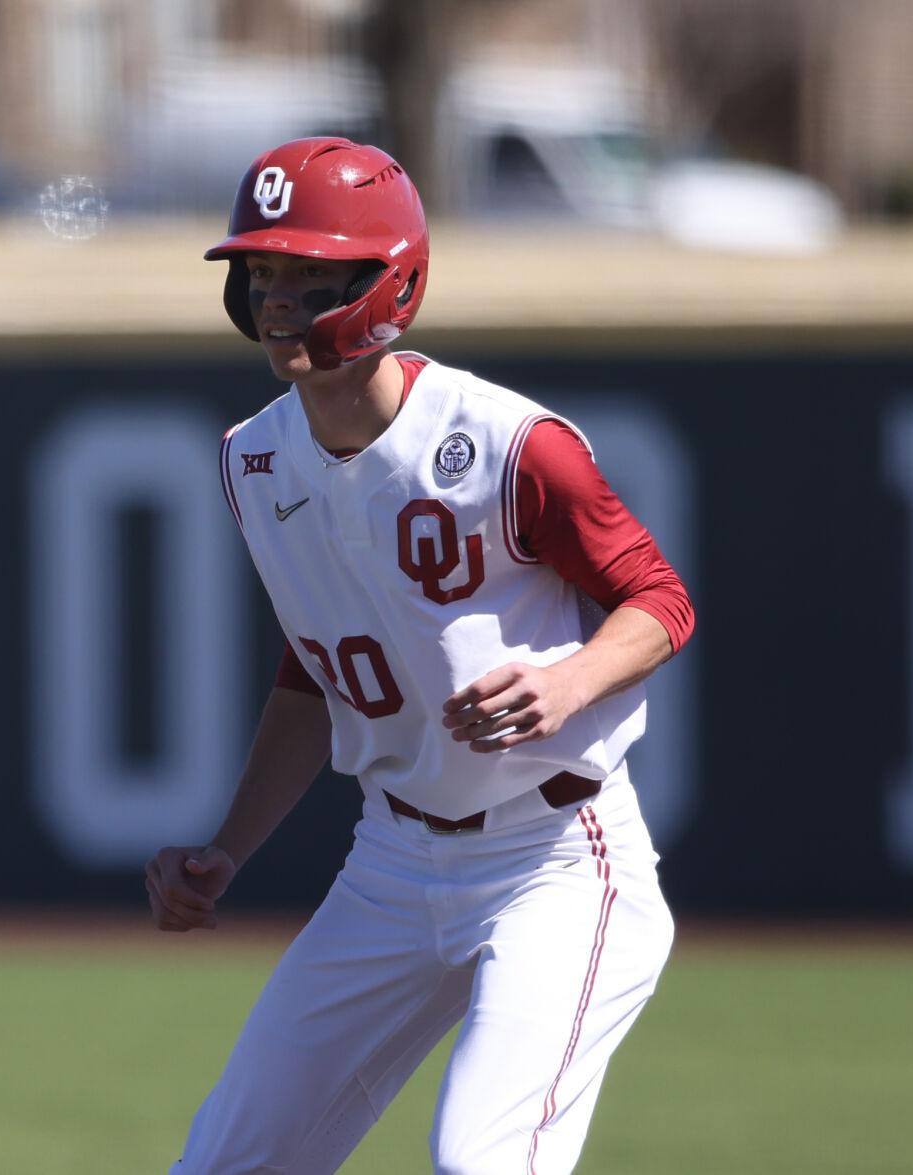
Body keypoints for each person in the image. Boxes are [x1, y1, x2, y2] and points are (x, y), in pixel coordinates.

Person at [145, 137, 695, 1175]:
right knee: (224, 1161)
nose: (275, 300)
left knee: (482, 1160)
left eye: (309, 275)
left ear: (385, 280)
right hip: (391, 861)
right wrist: (229, 846)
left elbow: (658, 597)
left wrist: (565, 678)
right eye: (261, 272)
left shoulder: (506, 442)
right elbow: (313, 671)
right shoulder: (253, 458)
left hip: (556, 856)